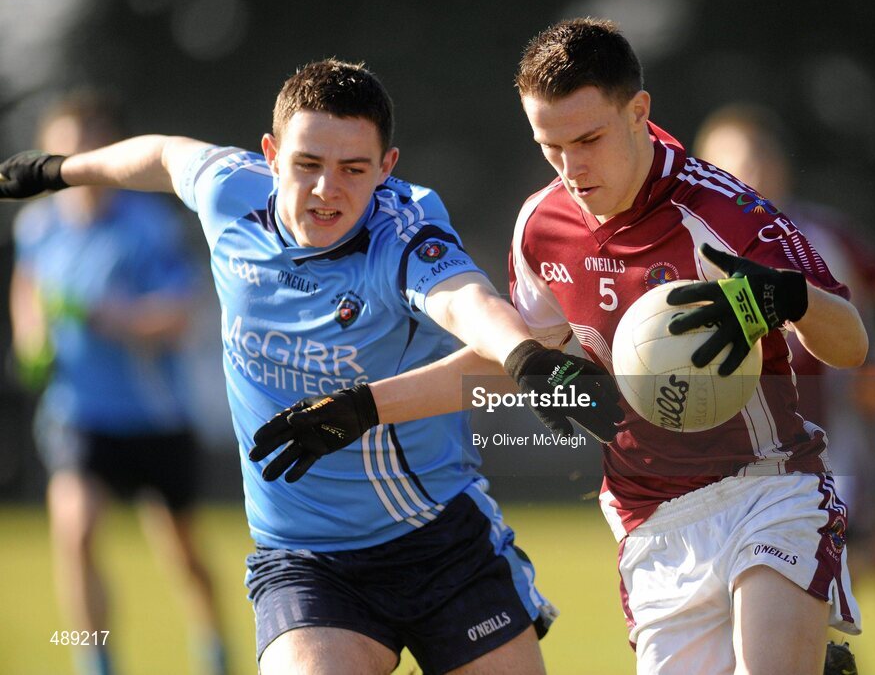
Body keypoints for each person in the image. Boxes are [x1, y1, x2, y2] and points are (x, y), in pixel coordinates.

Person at [0, 59, 621, 675]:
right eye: (308, 165)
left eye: (354, 169)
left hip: (441, 544)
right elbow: (163, 156)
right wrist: (58, 171)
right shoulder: (229, 192)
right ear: (270, 155)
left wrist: (526, 358)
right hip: (306, 561)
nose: (328, 189)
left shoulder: (402, 232)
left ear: (386, 168)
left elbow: (466, 301)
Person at [506, 19, 867, 674]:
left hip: (767, 485)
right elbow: (524, 348)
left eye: (588, 138)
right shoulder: (539, 225)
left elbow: (849, 342)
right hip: (651, 519)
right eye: (549, 146)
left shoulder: (725, 213)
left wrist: (789, 298)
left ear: (638, 111)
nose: (571, 167)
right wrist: (536, 374)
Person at [7, 92, 228, 675]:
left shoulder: (149, 225)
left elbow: (182, 312)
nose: (75, 157)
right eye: (64, 144)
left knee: (182, 555)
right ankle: (96, 662)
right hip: (80, 414)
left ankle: (215, 647)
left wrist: (117, 317)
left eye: (88, 144)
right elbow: (27, 289)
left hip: (153, 417)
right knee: (74, 534)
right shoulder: (37, 226)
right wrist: (31, 337)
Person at [693, 103, 875, 596]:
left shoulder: (821, 236)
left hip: (829, 443)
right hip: (731, 454)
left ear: (781, 165)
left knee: (807, 597)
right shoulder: (690, 244)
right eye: (731, 165)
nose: (750, 174)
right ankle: (867, 541)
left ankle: (862, 539)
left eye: (760, 158)